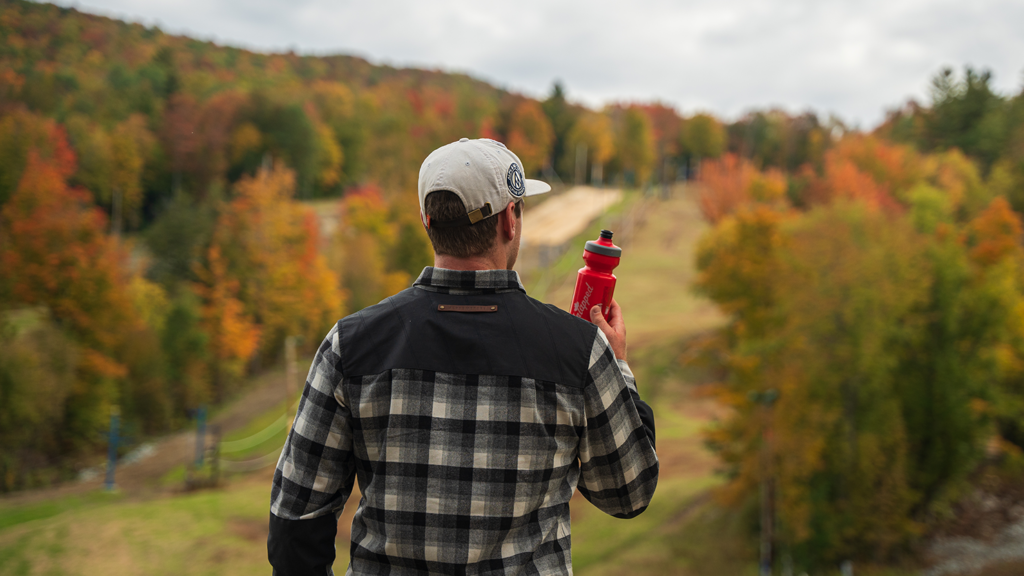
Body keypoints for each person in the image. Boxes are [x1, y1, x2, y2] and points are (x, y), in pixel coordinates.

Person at [268, 138, 659, 575]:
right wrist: (617, 365)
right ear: (510, 220)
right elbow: (628, 492)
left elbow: (296, 519)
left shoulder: (351, 345)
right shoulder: (578, 349)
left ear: (427, 222)